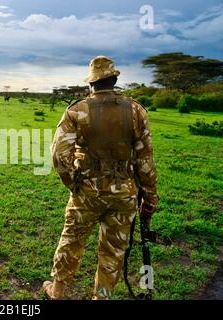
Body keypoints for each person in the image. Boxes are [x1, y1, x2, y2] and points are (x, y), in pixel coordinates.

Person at [43, 56, 159, 300]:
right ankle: (101, 296)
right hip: (124, 193)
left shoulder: (77, 110)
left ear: (91, 84)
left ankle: (57, 292)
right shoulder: (136, 110)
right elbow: (145, 160)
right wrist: (150, 198)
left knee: (71, 241)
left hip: (87, 191)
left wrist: (73, 183)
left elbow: (58, 155)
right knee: (113, 251)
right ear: (115, 80)